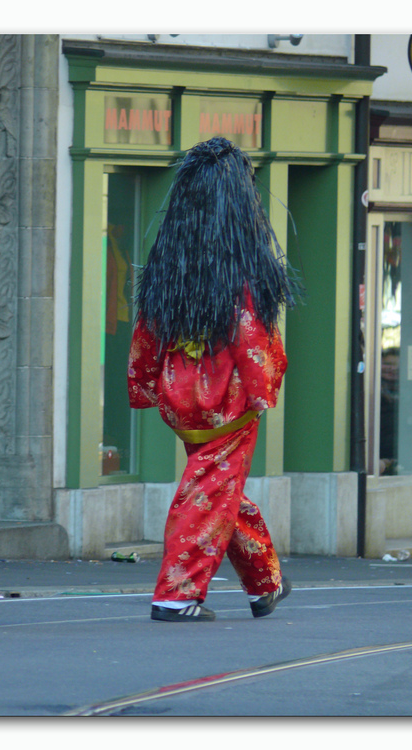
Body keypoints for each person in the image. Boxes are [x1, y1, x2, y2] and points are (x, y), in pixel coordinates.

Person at [128, 136, 298, 622]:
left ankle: (265, 582)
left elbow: (147, 331)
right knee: (205, 492)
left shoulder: (168, 265)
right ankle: (177, 594)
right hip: (227, 399)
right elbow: (250, 332)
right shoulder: (240, 265)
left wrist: (142, 384)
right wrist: (261, 389)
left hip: (181, 396)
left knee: (220, 486)